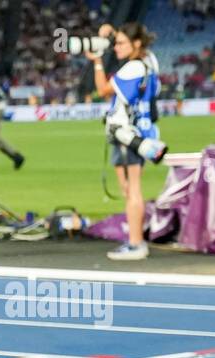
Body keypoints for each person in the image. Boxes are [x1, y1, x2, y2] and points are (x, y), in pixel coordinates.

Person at [88, 22, 160, 261]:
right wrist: (112, 33)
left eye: (120, 44)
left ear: (136, 44)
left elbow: (103, 90)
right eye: (115, 43)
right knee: (129, 189)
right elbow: (134, 38)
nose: (115, 48)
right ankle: (134, 239)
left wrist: (97, 60)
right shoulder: (150, 61)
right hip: (136, 131)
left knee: (133, 190)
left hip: (128, 133)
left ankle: (136, 244)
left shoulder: (132, 68)